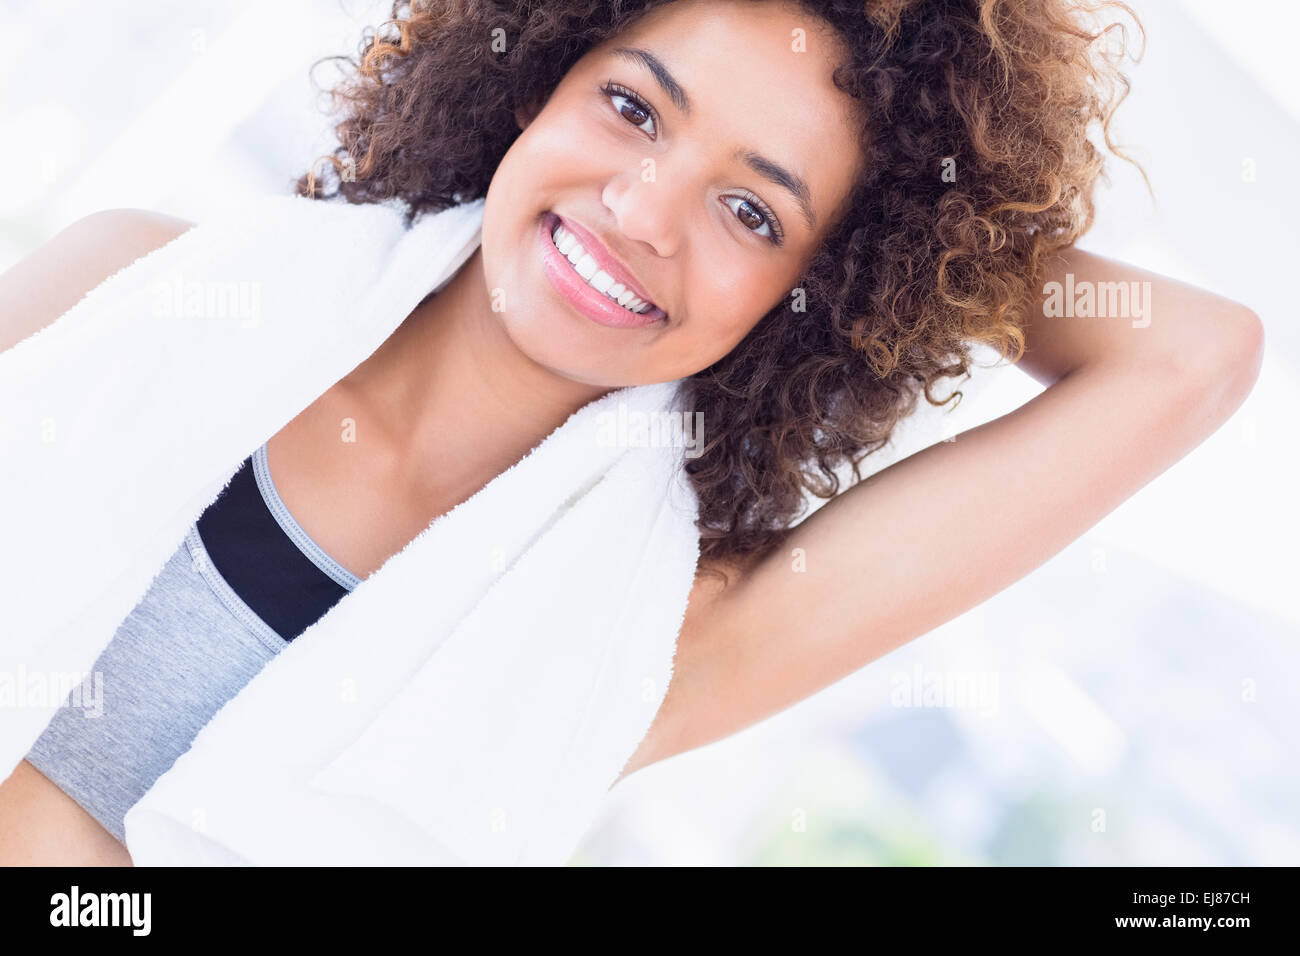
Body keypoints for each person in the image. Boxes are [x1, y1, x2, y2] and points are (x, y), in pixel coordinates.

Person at [0, 0, 1264, 866]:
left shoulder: (661, 635)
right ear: (534, 69)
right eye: (634, 108)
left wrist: (923, 225)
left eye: (753, 214)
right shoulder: (125, 284)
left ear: (818, 293)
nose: (640, 209)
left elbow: (1189, 360)